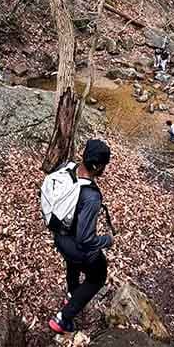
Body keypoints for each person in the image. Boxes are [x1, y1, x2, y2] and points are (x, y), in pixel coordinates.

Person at [48, 139, 113, 335]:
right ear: (98, 166)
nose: (105, 169)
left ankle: (72, 293)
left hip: (60, 236)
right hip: (75, 243)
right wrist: (107, 240)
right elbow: (86, 239)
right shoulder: (91, 196)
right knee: (98, 276)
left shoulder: (68, 169)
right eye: (104, 165)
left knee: (73, 261)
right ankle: (63, 318)